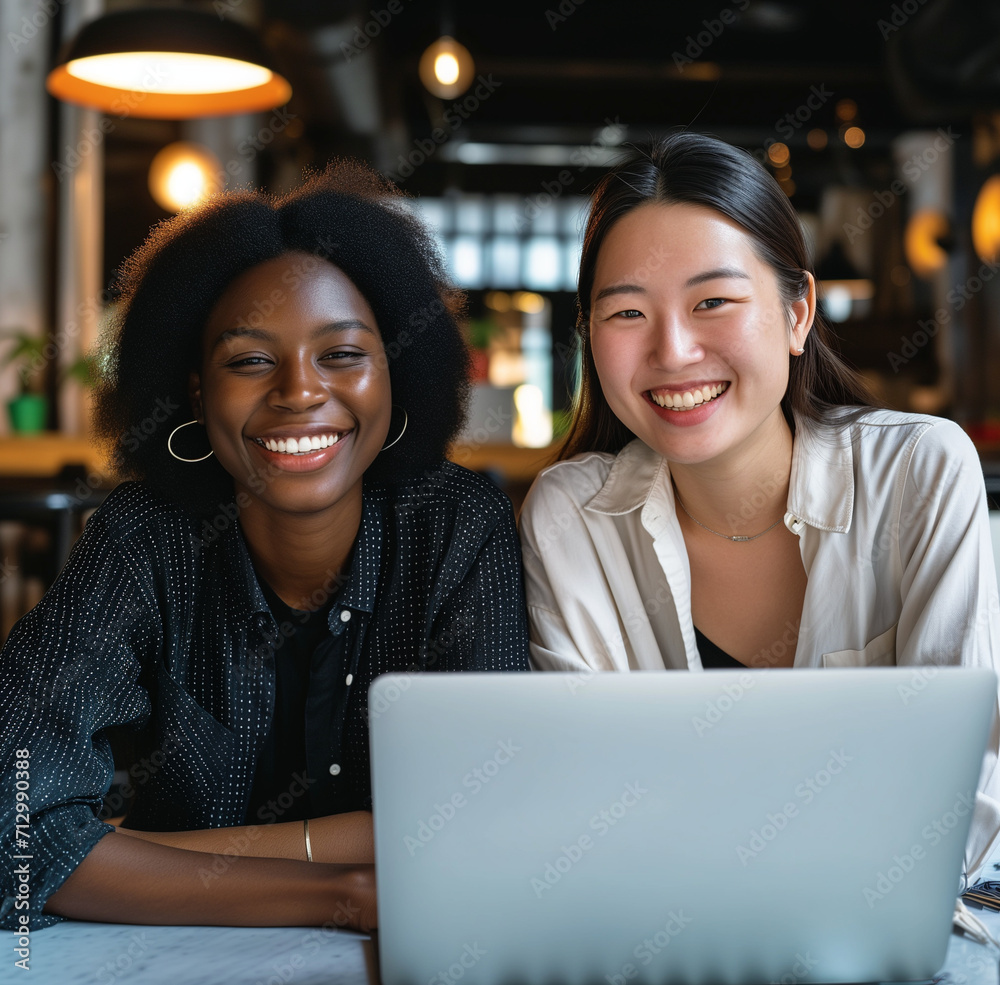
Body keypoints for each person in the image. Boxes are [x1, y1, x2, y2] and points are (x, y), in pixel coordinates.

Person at [0, 160, 529, 933]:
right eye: (250, 360)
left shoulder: (456, 526)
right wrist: (344, 893)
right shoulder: (144, 537)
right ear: (194, 391)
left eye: (343, 354)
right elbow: (11, 827)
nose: (299, 391)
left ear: (397, 373)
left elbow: (486, 818)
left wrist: (142, 853)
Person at [518, 132, 1000, 889]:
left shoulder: (919, 474)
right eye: (627, 313)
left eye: (713, 301)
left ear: (798, 311)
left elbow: (959, 800)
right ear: (588, 335)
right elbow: (589, 807)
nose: (673, 351)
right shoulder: (571, 518)